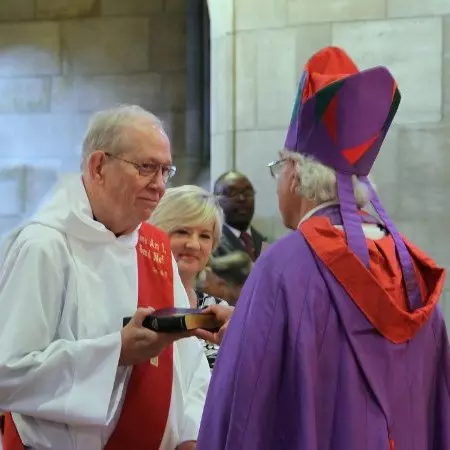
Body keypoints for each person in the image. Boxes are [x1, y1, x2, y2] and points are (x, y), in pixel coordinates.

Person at [194, 47, 450, 450]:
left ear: (295, 176)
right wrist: (243, 325)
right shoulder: (412, 271)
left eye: (278, 169)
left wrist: (249, 333)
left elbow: (244, 408)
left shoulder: (284, 266)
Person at [0, 105, 210, 450]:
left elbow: (188, 367)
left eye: (165, 171)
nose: (159, 186)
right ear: (99, 166)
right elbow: (7, 372)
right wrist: (116, 353)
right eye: (146, 168)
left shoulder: (154, 247)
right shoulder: (46, 245)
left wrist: (189, 433)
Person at [150, 185, 228, 370]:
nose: (193, 244)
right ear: (155, 233)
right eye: (182, 232)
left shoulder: (220, 311)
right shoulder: (138, 304)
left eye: (204, 236)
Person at [213, 171, 267, 261]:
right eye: (232, 193)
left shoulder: (266, 243)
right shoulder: (211, 246)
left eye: (248, 193)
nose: (242, 198)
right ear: (215, 200)